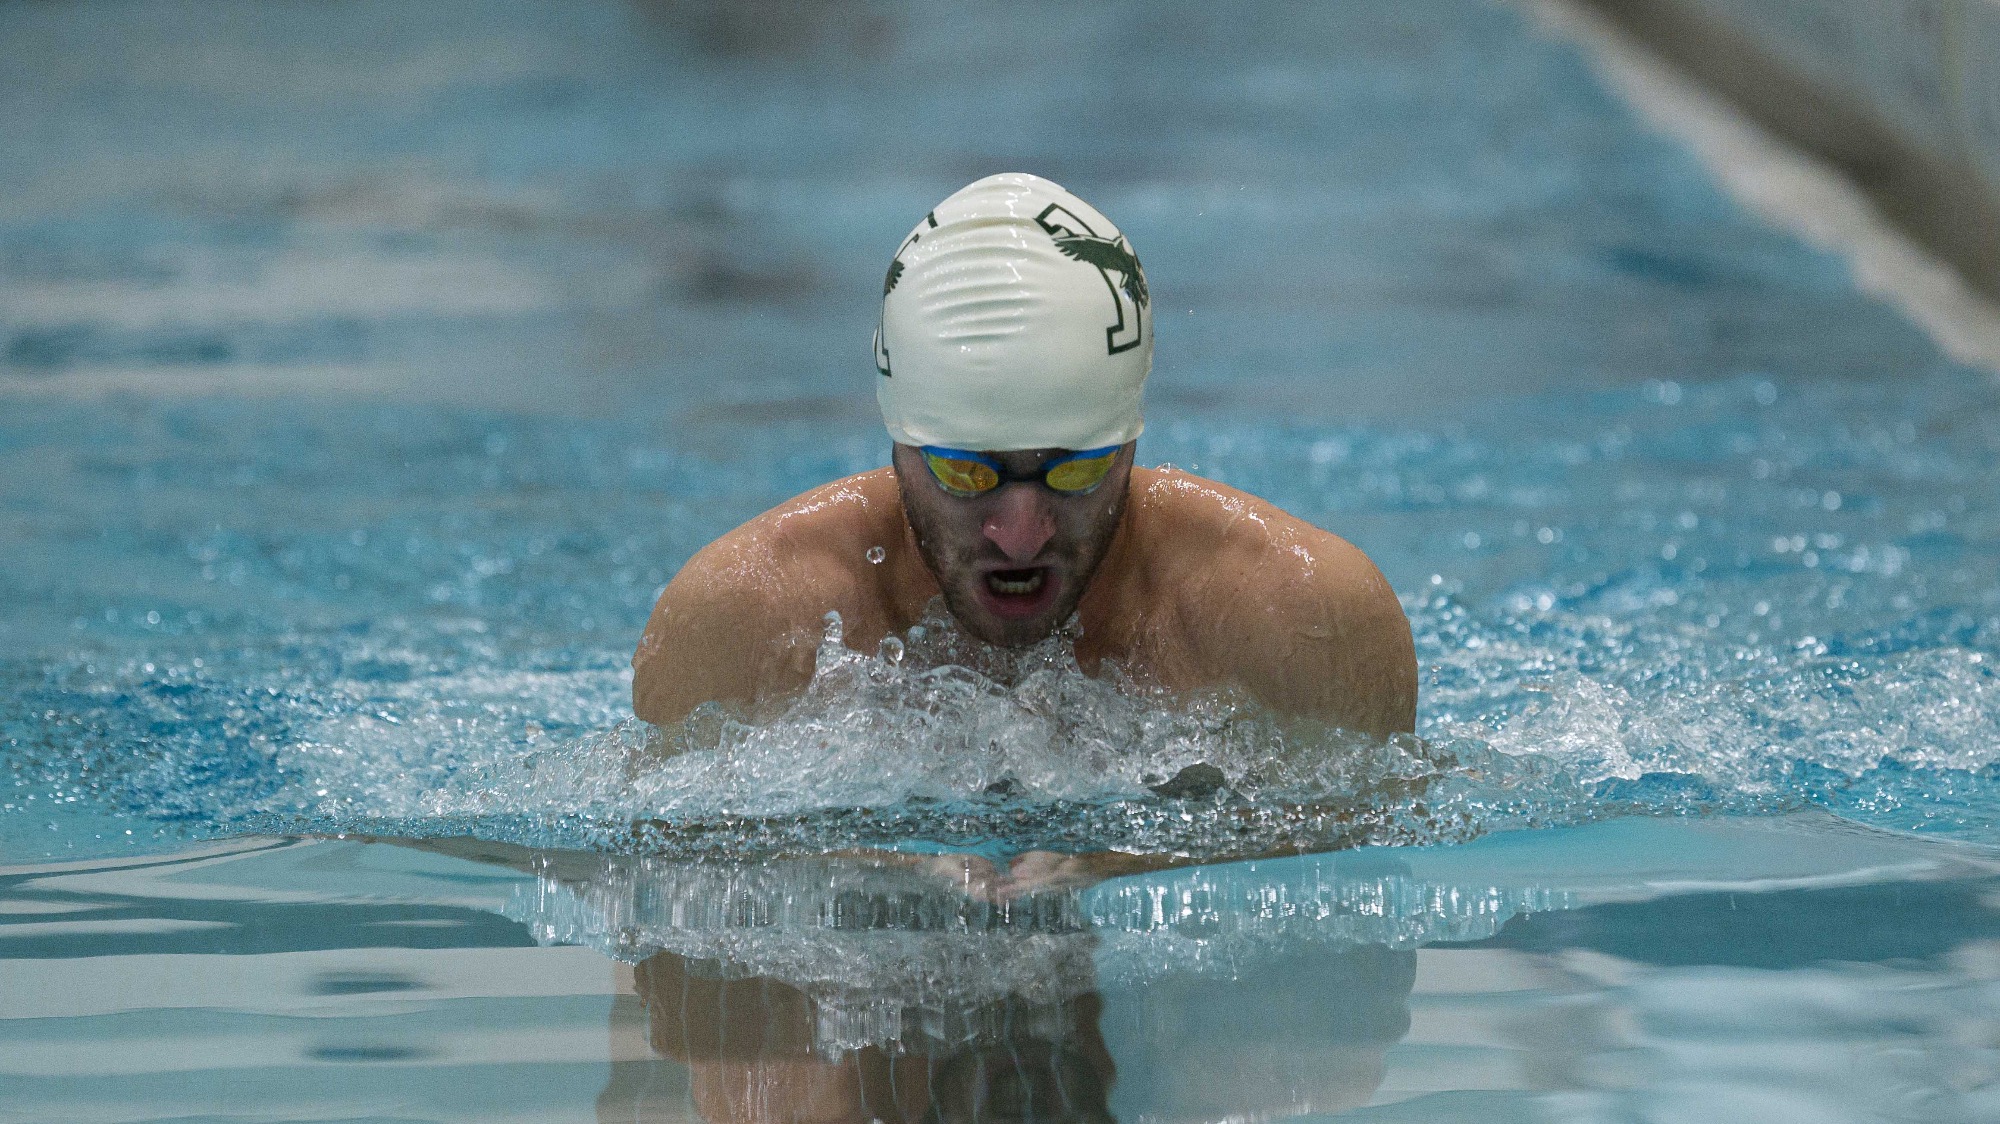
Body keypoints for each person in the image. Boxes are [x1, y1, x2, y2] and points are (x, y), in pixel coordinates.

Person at [632, 171, 1415, 767]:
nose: (1018, 534)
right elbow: (666, 955)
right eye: (967, 474)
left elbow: (1366, 924)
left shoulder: (1296, 620)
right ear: (899, 440)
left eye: (1072, 472)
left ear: (1131, 439)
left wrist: (1123, 859)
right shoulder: (741, 623)